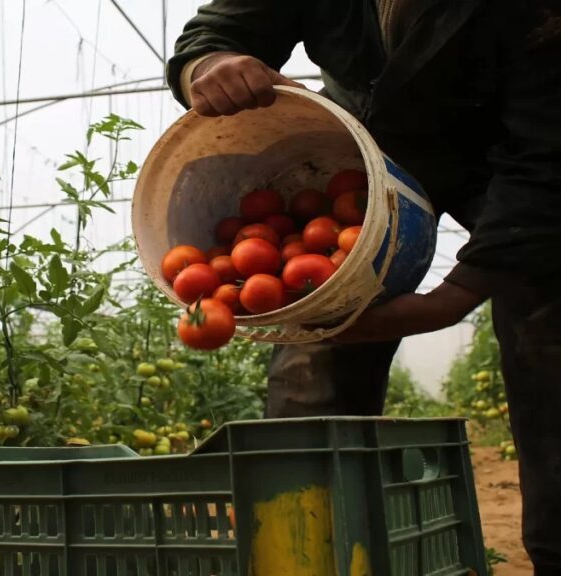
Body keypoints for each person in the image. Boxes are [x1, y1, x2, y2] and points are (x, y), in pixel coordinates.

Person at [167, 2, 561, 572]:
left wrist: (454, 297)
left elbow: (547, 156)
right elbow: (224, 28)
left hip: (508, 157)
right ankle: (306, 550)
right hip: (357, 156)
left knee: (548, 325)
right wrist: (210, 63)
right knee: (318, 347)